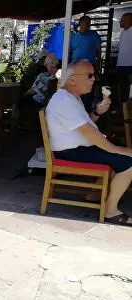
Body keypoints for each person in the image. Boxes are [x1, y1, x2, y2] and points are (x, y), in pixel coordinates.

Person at [46, 60, 132, 225]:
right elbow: (89, 133)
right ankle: (111, 212)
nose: (93, 79)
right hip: (71, 152)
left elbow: (84, 124)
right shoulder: (63, 101)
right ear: (72, 79)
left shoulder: (71, 98)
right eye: (89, 75)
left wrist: (97, 112)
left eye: (94, 75)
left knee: (120, 156)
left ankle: (95, 194)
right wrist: (117, 150)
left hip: (79, 148)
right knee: (128, 163)